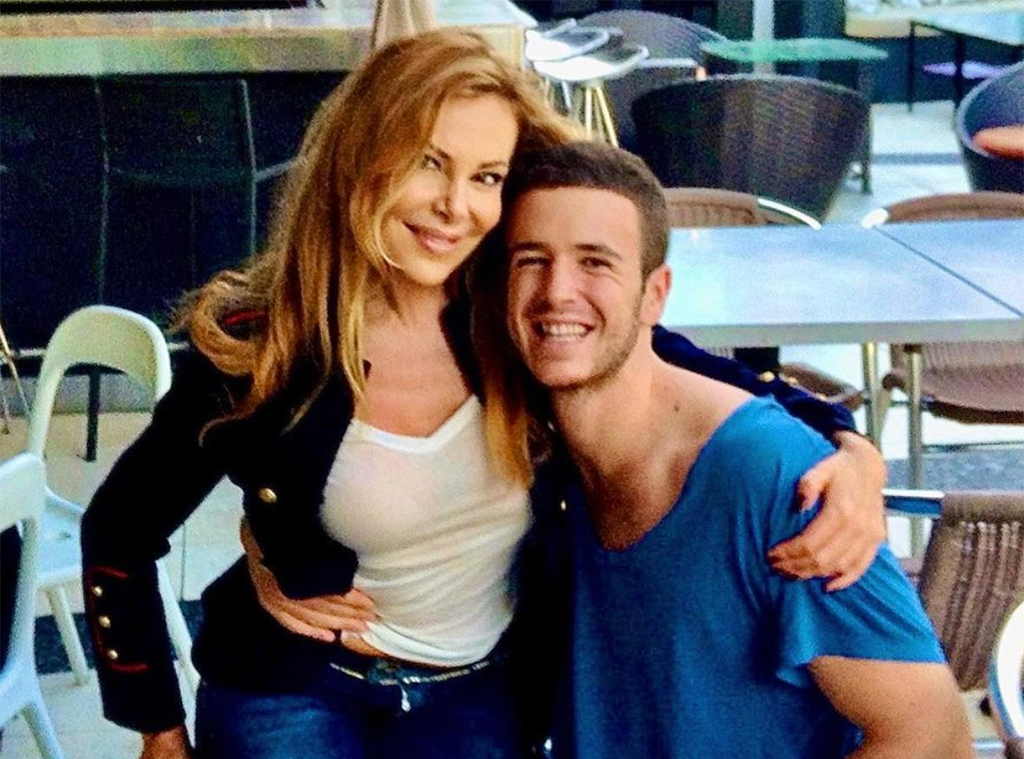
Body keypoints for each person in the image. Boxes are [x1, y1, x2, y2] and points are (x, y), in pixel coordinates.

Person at [82, 30, 884, 759]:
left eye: (486, 177)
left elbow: (702, 374)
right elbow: (119, 528)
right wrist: (160, 728)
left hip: (477, 692)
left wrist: (851, 448)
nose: (455, 206)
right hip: (291, 687)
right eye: (428, 162)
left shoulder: (524, 316)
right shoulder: (266, 341)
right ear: (361, 158)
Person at [485, 140, 972, 759]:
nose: (557, 291)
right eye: (531, 260)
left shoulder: (773, 474)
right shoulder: (547, 463)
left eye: (595, 263)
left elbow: (933, 737)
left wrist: (855, 451)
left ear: (655, 295)